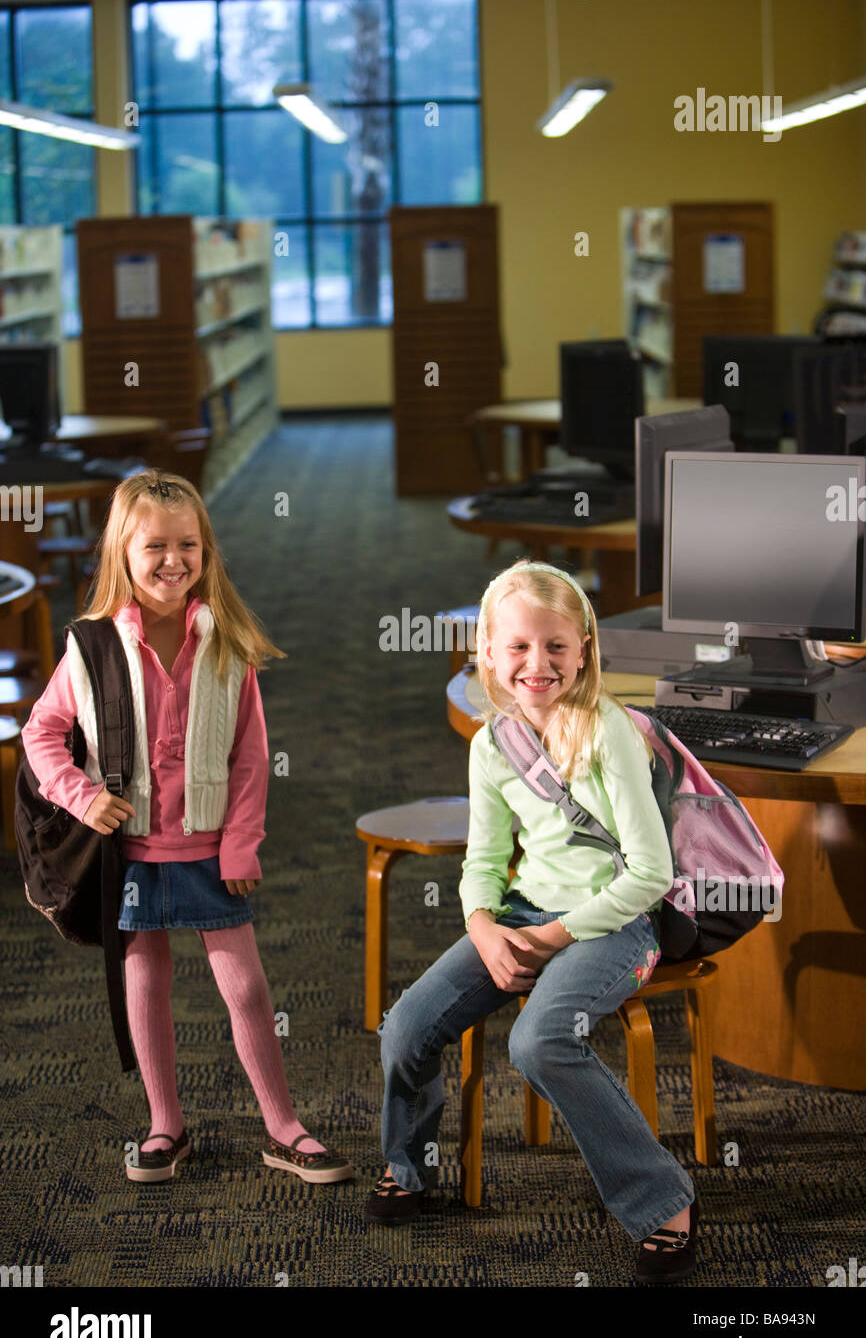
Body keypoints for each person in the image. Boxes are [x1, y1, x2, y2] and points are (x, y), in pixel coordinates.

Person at [366, 560, 698, 1283]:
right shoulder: (491, 746)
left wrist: (550, 939)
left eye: (554, 647)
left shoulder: (609, 734)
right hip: (521, 916)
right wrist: (485, 928)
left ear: (583, 648)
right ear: (486, 651)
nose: (536, 664)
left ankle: (664, 1199)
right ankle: (410, 1165)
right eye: (517, 647)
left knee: (541, 1041)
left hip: (615, 923)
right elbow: (482, 861)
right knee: (406, 1026)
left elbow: (650, 874)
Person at [21, 470, 352, 1187]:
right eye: (155, 547)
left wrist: (240, 843)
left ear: (206, 551)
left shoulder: (226, 643)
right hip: (131, 853)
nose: (174, 561)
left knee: (247, 989)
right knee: (147, 980)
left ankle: (283, 1126)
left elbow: (251, 756)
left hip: (210, 851)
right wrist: (80, 797)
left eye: (189, 546)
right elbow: (41, 733)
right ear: (122, 551)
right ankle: (164, 1123)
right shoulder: (91, 647)